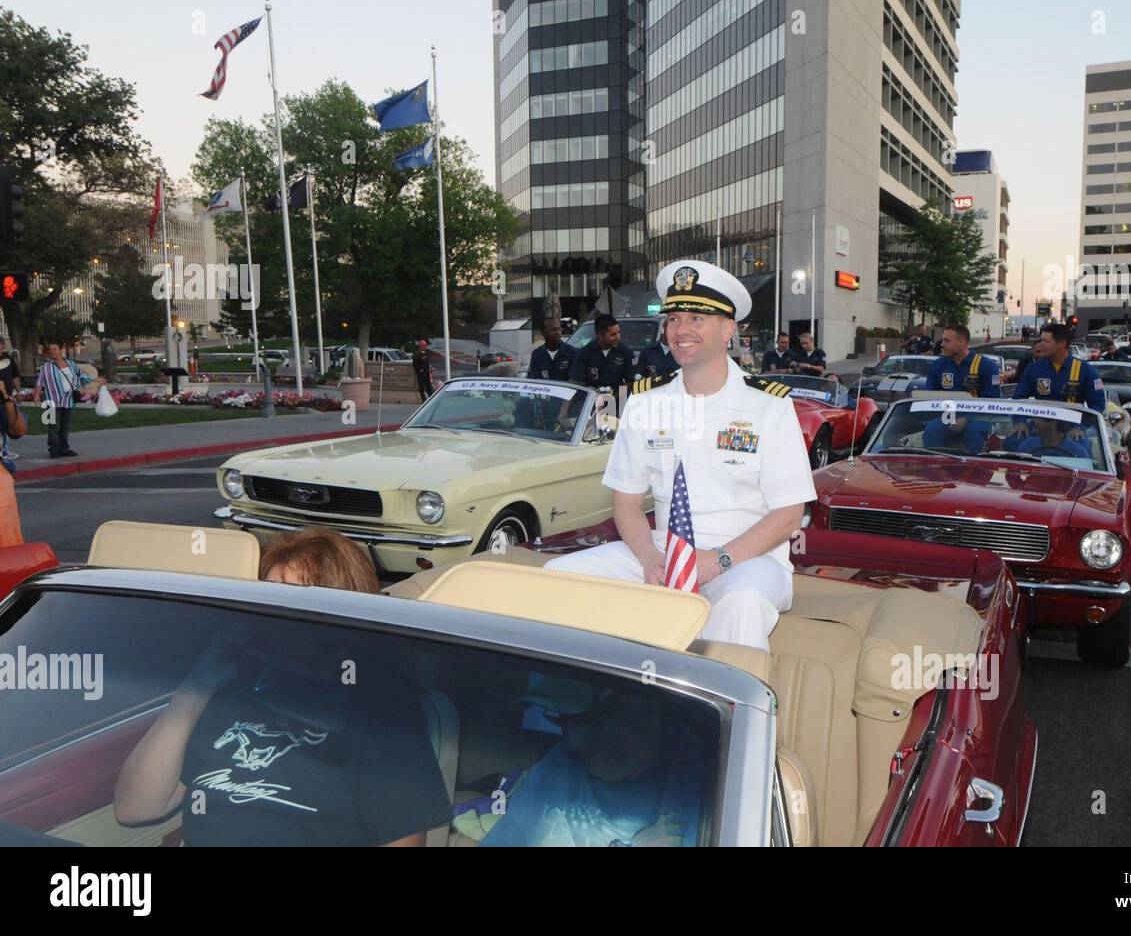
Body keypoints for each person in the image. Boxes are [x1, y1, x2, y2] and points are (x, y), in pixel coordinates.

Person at [113, 528, 450, 846]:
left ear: (344, 614)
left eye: (299, 600)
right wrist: (194, 689)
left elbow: (401, 840)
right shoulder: (234, 687)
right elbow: (135, 808)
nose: (278, 613)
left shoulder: (379, 705)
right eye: (271, 595)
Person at [545, 260, 816, 651]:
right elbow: (626, 503)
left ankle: (728, 709)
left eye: (695, 318)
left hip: (745, 558)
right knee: (559, 576)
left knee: (740, 604)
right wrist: (649, 557)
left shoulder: (768, 407)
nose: (681, 331)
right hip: (663, 547)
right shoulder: (643, 403)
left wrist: (716, 560)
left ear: (728, 329)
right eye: (673, 319)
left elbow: (788, 514)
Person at [478, 685, 705, 847]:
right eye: (562, 720)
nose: (571, 742)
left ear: (644, 707)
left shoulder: (706, 780)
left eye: (589, 720)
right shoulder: (559, 767)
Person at [1011, 324, 1105, 440]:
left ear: (1062, 344)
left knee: (1082, 452)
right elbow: (1018, 399)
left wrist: (1080, 427)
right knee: (1011, 442)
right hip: (1038, 429)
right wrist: (1020, 422)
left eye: (1045, 341)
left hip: (1071, 431)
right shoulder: (1033, 369)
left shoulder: (1086, 371)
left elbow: (1098, 404)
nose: (1040, 345)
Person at [921, 324, 1001, 453]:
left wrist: (967, 418)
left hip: (980, 417)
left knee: (974, 431)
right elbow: (930, 395)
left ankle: (974, 468)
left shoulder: (988, 367)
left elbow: (993, 400)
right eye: (942, 340)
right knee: (932, 429)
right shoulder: (938, 365)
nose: (941, 344)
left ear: (962, 342)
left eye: (947, 341)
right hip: (948, 415)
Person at [34, 341, 100, 458]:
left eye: (54, 349)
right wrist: (37, 395)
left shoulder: (71, 364)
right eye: (50, 350)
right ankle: (54, 450)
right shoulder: (46, 367)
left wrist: (96, 380)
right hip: (52, 400)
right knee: (53, 426)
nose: (52, 352)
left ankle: (64, 448)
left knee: (65, 426)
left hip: (68, 400)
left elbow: (80, 376)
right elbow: (40, 382)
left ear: (60, 350)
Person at [569, 313, 637, 391]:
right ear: (600, 336)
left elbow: (630, 381)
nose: (618, 337)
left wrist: (617, 399)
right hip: (592, 400)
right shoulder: (585, 352)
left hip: (618, 399)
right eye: (613, 334)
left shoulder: (625, 352)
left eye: (618, 332)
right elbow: (575, 381)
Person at [1002, 416, 1091, 460]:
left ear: (1052, 423)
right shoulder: (1028, 444)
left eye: (1039, 419)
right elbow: (1014, 476)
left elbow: (1085, 480)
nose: (1034, 421)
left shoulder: (1079, 452)